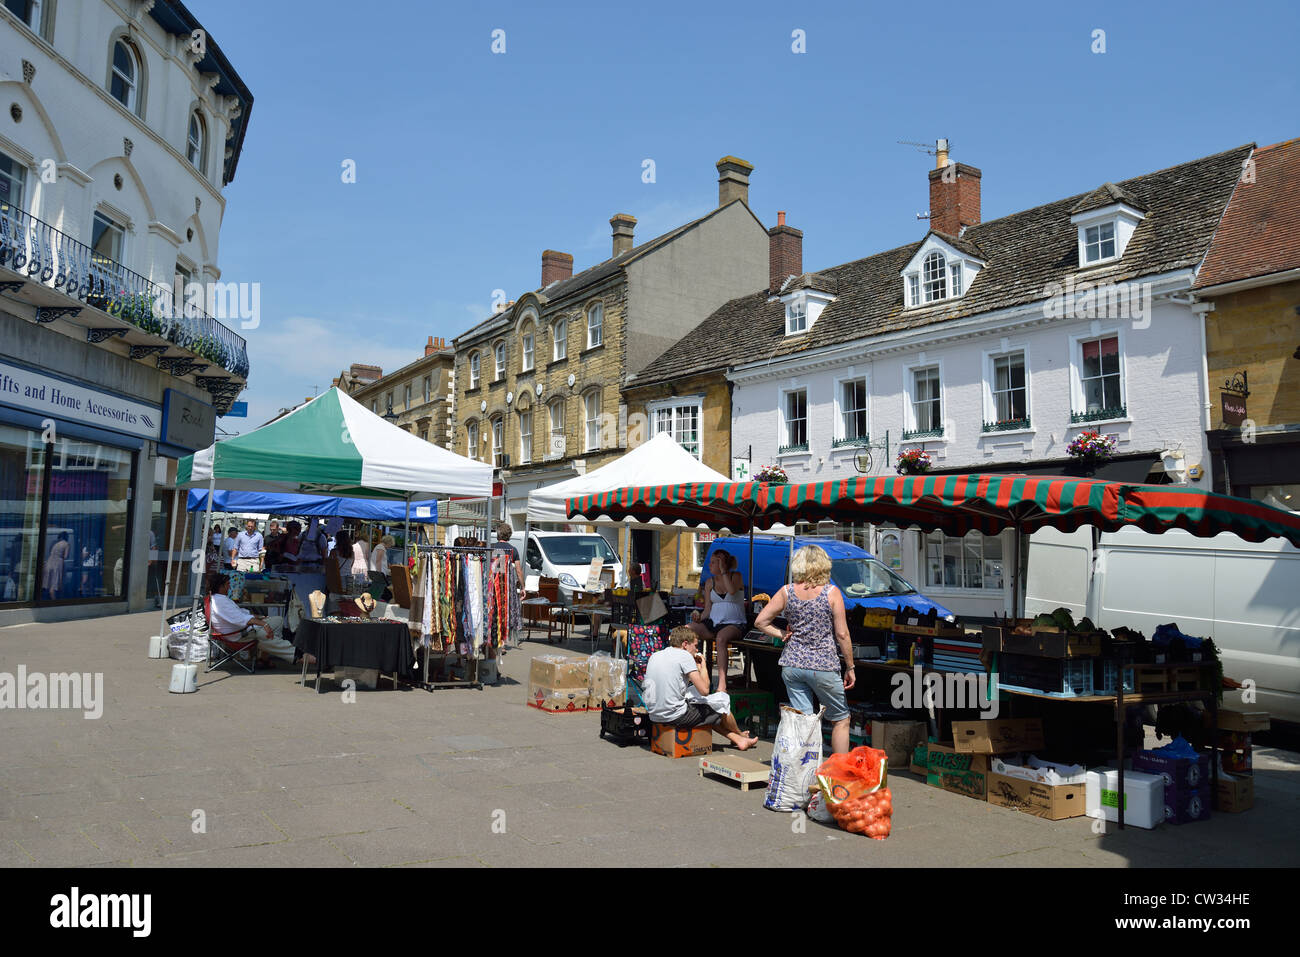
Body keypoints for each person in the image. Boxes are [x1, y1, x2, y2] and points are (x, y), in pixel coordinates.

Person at [754, 545, 856, 754]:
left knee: (804, 721)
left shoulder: (786, 591)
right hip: (823, 665)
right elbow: (842, 634)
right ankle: (838, 774)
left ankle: (803, 771)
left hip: (792, 664)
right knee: (840, 719)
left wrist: (782, 634)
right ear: (823, 566)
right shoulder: (832, 592)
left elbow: (761, 621)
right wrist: (850, 666)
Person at [643, 626, 758, 751]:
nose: (697, 650)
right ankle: (740, 734)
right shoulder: (684, 656)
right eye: (695, 646)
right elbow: (705, 691)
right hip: (674, 715)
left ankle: (738, 739)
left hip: (653, 714)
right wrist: (703, 667)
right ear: (685, 644)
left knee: (705, 711)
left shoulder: (656, 655)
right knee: (718, 706)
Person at [688, 548, 747, 693]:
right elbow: (708, 609)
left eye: (714, 562)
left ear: (723, 564)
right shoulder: (709, 582)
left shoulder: (736, 576)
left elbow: (732, 591)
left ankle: (722, 684)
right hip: (714, 622)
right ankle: (689, 674)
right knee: (686, 629)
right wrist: (699, 617)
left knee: (721, 639)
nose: (710, 565)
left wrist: (724, 571)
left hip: (734, 623)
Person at [206, 573, 296, 666]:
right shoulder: (220, 601)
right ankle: (296, 655)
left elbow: (240, 613)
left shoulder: (218, 598)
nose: (229, 587)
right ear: (221, 586)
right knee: (264, 635)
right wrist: (264, 624)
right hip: (239, 635)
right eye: (228, 584)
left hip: (238, 631)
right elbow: (239, 619)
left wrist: (259, 617)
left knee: (278, 620)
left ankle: (264, 658)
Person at [492, 522, 525, 599]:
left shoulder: (491, 547)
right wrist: (523, 587)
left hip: (492, 583)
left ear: (498, 534)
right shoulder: (513, 550)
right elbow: (518, 571)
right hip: (507, 584)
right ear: (509, 535)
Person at [43, 532, 70, 599]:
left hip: (49, 562)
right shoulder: (66, 544)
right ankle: (55, 601)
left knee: (49, 582)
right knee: (55, 584)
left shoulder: (55, 543)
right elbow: (66, 556)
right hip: (57, 564)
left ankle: (48, 599)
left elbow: (50, 552)